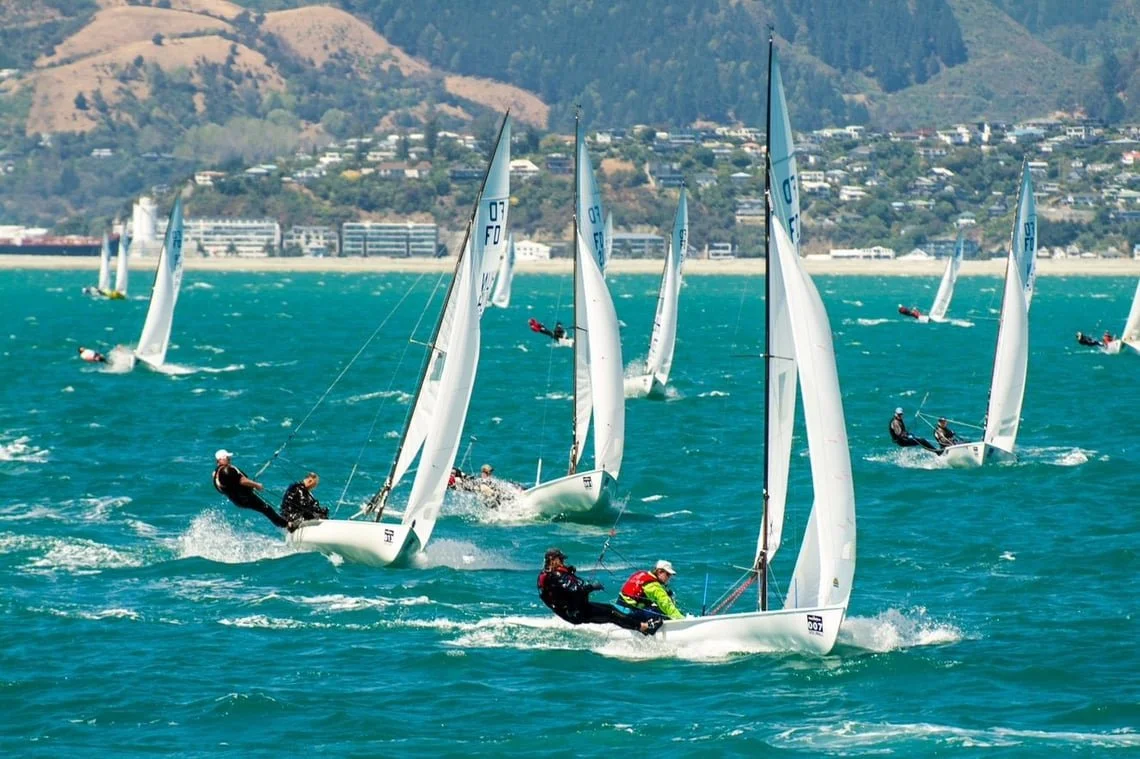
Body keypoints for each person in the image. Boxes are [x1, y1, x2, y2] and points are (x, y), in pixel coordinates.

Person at [537, 548, 661, 635]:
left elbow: (563, 591)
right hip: (577, 612)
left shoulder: (547, 575)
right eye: (561, 559)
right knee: (611, 613)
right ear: (553, 560)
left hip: (573, 611)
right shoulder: (556, 575)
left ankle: (637, 625)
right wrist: (592, 587)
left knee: (610, 610)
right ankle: (643, 627)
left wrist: (570, 572)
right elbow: (575, 590)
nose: (563, 562)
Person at [212, 449, 288, 528]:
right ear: (221, 459)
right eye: (227, 458)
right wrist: (256, 485)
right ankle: (287, 525)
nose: (230, 459)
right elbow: (242, 481)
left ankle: (283, 523)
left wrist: (247, 487)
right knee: (266, 508)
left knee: (264, 509)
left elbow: (231, 485)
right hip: (245, 497)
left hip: (238, 501)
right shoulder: (226, 470)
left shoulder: (215, 474)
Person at [617, 560, 685, 621]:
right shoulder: (654, 586)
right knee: (662, 614)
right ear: (659, 572)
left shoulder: (642, 574)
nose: (669, 577)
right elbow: (665, 604)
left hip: (620, 606)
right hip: (630, 613)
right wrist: (680, 619)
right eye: (667, 574)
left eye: (670, 575)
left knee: (653, 606)